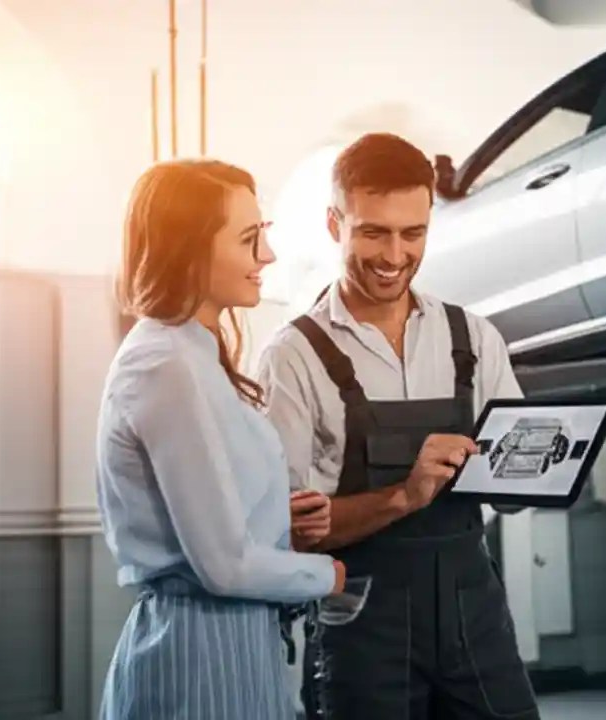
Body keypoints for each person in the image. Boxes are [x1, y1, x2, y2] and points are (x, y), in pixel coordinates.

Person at [258, 133, 540, 719]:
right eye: (373, 232)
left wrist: (547, 468)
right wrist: (405, 495)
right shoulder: (295, 356)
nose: (394, 255)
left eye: (413, 233)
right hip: (361, 624)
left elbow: (514, 490)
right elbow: (291, 532)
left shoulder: (474, 339)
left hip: (474, 613)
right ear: (334, 224)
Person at [96, 159, 346, 720]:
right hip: (199, 653)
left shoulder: (192, 355)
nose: (268, 257)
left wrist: (277, 518)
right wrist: (328, 574)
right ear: (189, 248)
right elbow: (223, 566)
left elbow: (208, 515)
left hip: (233, 644)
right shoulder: (166, 363)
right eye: (249, 239)